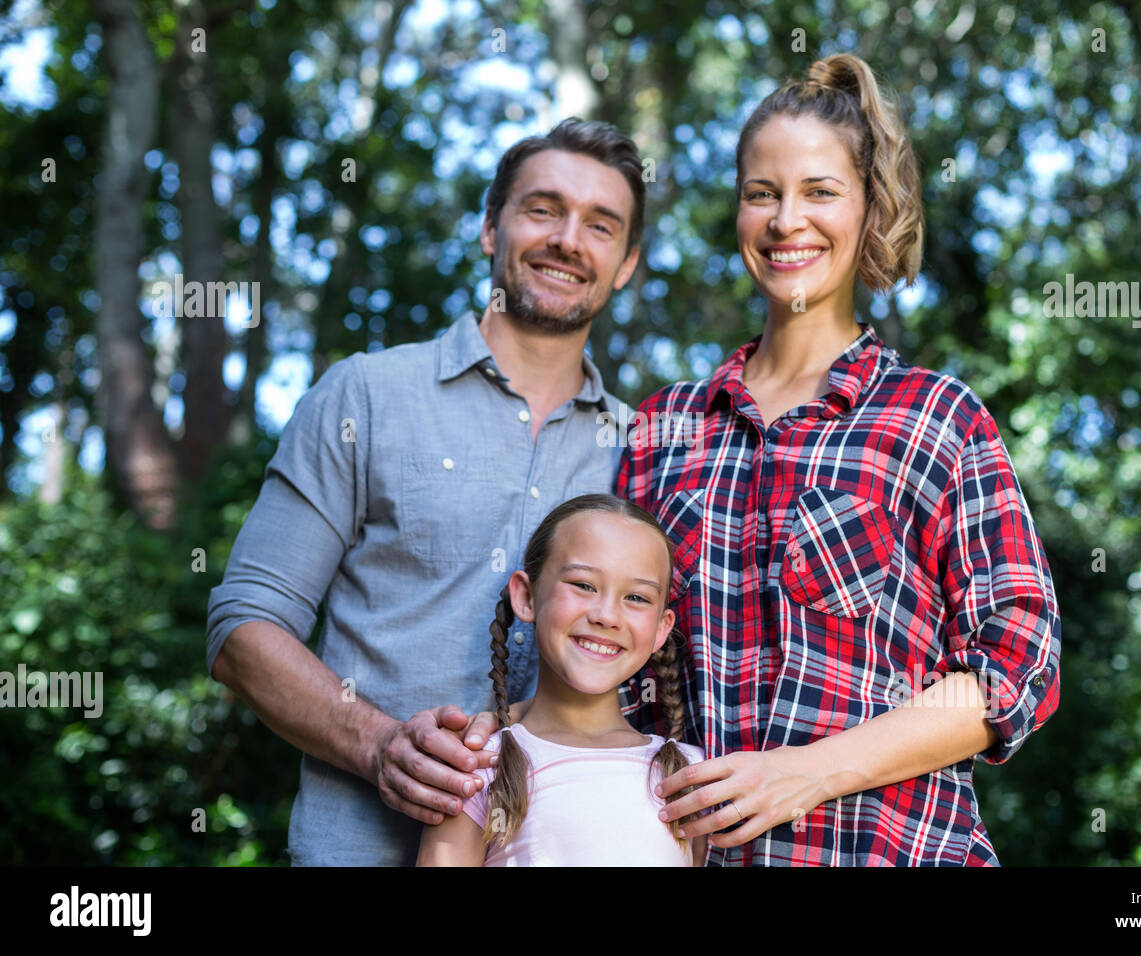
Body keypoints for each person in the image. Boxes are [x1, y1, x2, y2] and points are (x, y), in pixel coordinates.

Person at [617, 54, 1062, 866]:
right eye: (763, 193)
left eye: (821, 191)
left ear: (869, 210)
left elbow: (1019, 660)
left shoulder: (935, 419)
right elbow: (610, 674)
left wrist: (807, 774)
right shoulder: (661, 430)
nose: (788, 220)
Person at [205, 119, 646, 865]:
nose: (569, 240)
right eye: (542, 210)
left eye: (600, 225)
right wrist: (379, 746)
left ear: (626, 264)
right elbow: (244, 628)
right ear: (489, 227)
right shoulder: (366, 397)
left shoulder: (644, 451)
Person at [417, 494, 708, 866]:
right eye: (584, 585)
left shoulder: (688, 776)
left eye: (635, 597)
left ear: (660, 630)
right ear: (526, 596)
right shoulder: (478, 766)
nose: (606, 615)